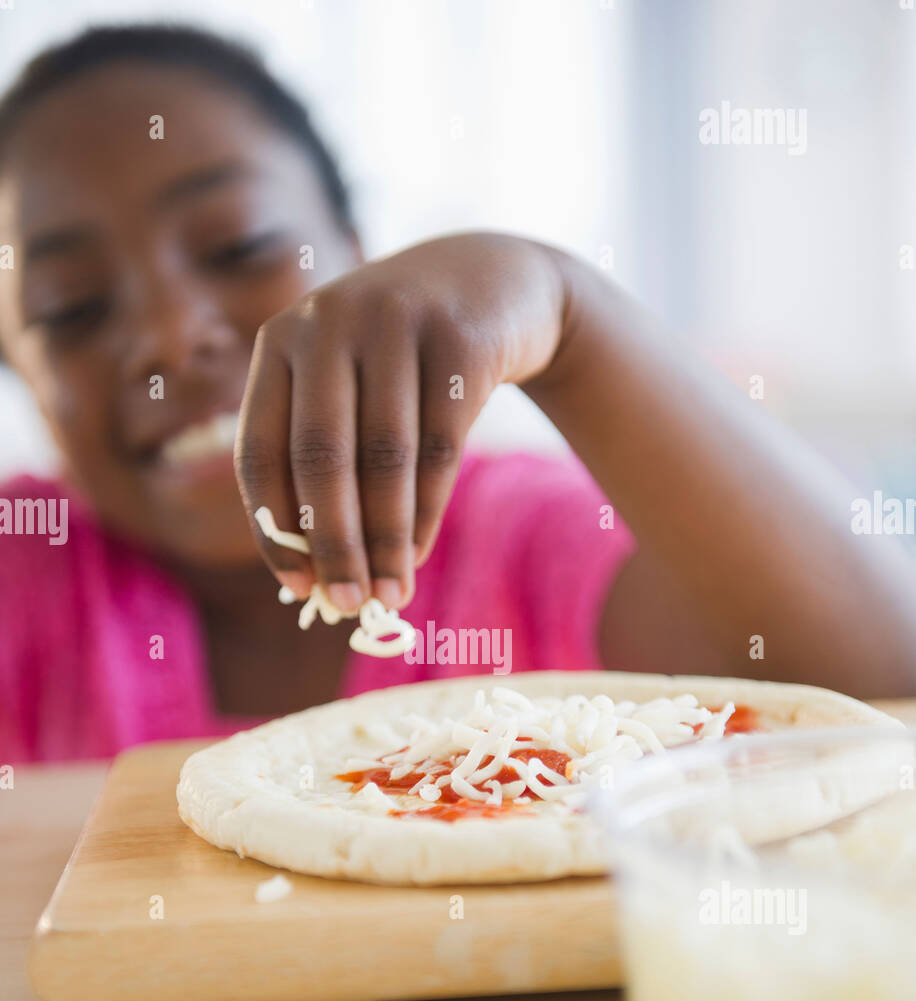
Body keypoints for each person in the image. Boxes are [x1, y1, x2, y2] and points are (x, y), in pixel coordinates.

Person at [1, 24, 913, 764]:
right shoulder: (26, 575)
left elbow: (886, 685)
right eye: (71, 308)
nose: (169, 337)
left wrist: (573, 316)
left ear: (356, 254)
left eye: (239, 248)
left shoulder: (525, 539)